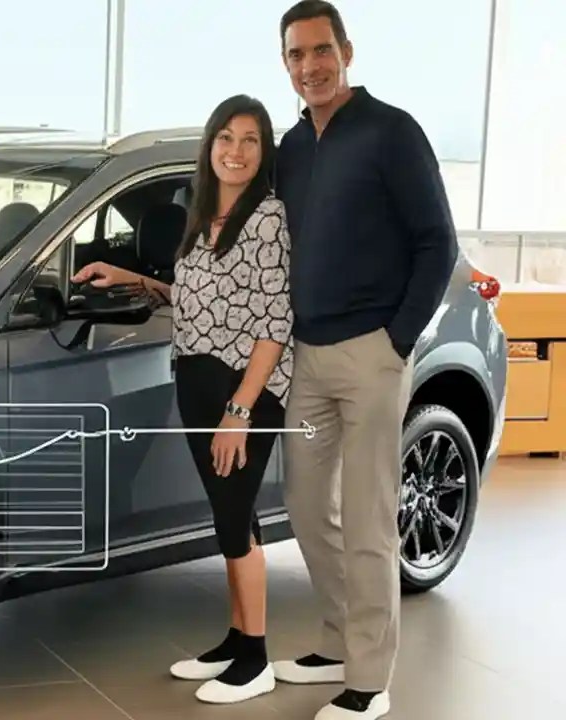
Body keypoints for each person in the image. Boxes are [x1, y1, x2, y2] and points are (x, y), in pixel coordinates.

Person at [268, 3, 459, 719]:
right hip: (308, 358)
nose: (310, 66)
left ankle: (371, 680)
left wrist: (398, 339)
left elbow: (436, 242)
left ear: (346, 51)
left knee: (373, 517)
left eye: (321, 50)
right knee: (309, 507)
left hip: (372, 354)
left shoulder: (392, 132)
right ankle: (335, 639)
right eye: (296, 54)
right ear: (285, 63)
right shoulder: (291, 147)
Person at [72, 94, 294, 706]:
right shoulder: (202, 216)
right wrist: (133, 280)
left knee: (233, 516)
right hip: (199, 379)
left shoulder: (267, 217)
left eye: (250, 140)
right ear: (210, 146)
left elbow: (274, 322)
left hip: (240, 389)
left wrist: (240, 412)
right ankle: (236, 636)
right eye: (226, 137)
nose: (236, 150)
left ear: (263, 152)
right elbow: (199, 299)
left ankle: (255, 660)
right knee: (233, 514)